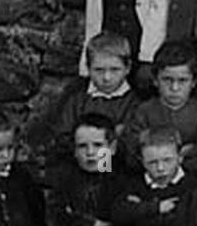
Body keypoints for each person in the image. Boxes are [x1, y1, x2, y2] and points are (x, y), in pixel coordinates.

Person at [53, 31, 140, 168]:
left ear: (127, 68)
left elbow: (132, 143)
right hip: (78, 168)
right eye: (99, 70)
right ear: (88, 68)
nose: (107, 78)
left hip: (119, 172)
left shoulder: (134, 103)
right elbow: (62, 136)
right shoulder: (78, 100)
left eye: (114, 70)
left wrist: (103, 163)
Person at [123, 41, 197, 181]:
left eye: (182, 80)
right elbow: (131, 155)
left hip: (192, 181)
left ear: (193, 82)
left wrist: (182, 160)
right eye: (167, 80)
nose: (174, 88)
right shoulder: (144, 111)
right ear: (155, 80)